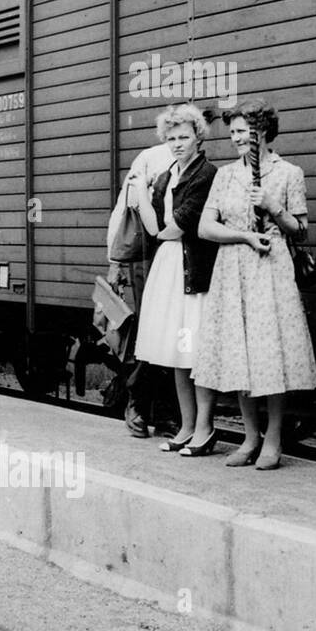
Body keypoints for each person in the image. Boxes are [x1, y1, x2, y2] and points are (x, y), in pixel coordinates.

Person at [193, 98, 316, 471]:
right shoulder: (226, 175)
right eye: (231, 131)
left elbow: (302, 230)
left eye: (242, 131)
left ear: (261, 131)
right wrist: (243, 238)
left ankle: (274, 438)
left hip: (271, 269)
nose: (235, 138)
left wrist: (273, 207)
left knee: (270, 355)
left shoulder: (288, 173)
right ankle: (250, 437)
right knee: (240, 353)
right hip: (233, 269)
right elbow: (205, 227)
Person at [129, 104, 219, 455]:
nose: (178, 143)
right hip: (169, 268)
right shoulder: (167, 177)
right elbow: (155, 236)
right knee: (178, 352)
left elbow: (169, 228)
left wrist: (142, 201)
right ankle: (186, 427)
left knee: (195, 353)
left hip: (193, 270)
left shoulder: (206, 174)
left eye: (184, 136)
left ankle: (205, 428)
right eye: (172, 138)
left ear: (199, 137)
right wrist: (147, 204)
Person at [105, 140, 175, 437]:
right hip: (146, 257)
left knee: (174, 337)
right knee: (147, 333)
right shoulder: (149, 158)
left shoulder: (198, 160)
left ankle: (165, 415)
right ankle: (135, 401)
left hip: (180, 256)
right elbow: (125, 211)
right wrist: (114, 262)